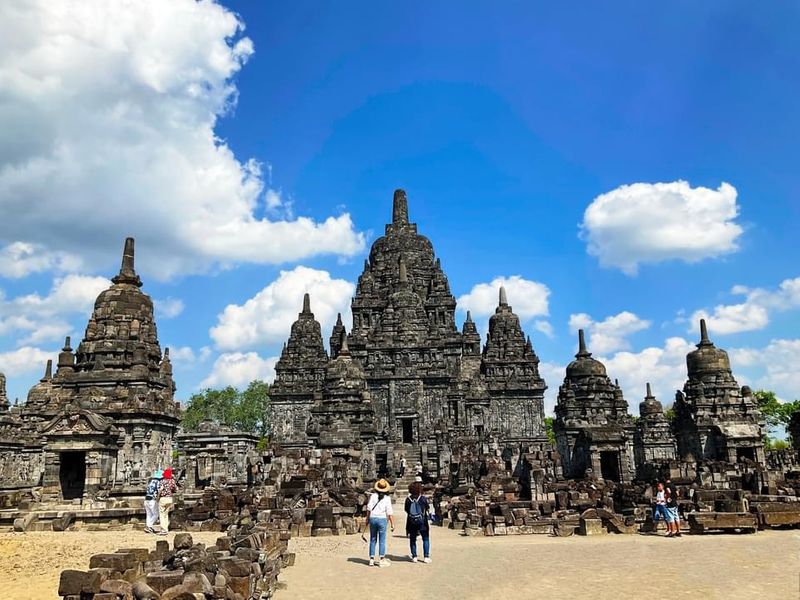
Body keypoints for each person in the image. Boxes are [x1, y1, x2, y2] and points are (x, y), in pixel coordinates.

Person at [365, 479, 395, 567]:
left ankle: (371, 559)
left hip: (373, 518)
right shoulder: (387, 498)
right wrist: (392, 523)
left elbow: (369, 508)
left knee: (373, 539)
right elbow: (389, 512)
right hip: (382, 519)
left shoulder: (373, 496)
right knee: (382, 540)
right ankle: (381, 559)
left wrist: (367, 519)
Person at [405, 481, 432, 564]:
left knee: (412, 539)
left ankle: (414, 557)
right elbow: (427, 507)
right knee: (425, 538)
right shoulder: (423, 498)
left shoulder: (408, 499)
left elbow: (406, 510)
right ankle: (426, 557)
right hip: (422, 521)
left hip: (411, 521)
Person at [157, 467, 178, 535]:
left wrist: (157, 497)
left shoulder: (162, 481)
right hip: (169, 499)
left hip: (163, 498)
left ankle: (164, 530)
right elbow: (176, 489)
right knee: (166, 514)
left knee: (162, 514)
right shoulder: (172, 481)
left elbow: (160, 490)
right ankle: (166, 529)